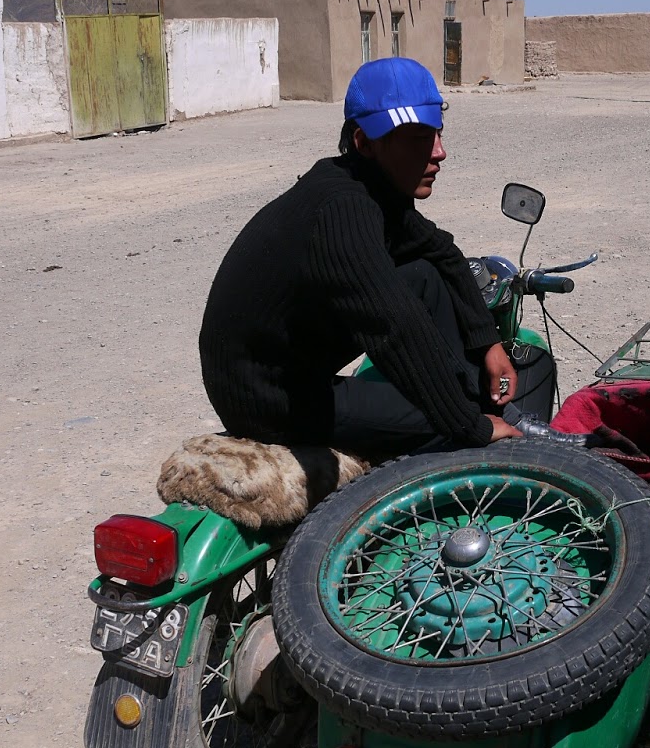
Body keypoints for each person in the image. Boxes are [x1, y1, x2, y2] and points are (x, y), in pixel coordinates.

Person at [199, 56, 558, 458]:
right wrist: (468, 426)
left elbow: (441, 251)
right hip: (265, 396)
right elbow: (392, 327)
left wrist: (488, 344)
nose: (439, 153)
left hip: (293, 360)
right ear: (364, 142)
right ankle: (485, 433)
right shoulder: (344, 209)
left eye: (437, 133)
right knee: (446, 425)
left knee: (424, 271)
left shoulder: (370, 185)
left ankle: (487, 405)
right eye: (418, 137)